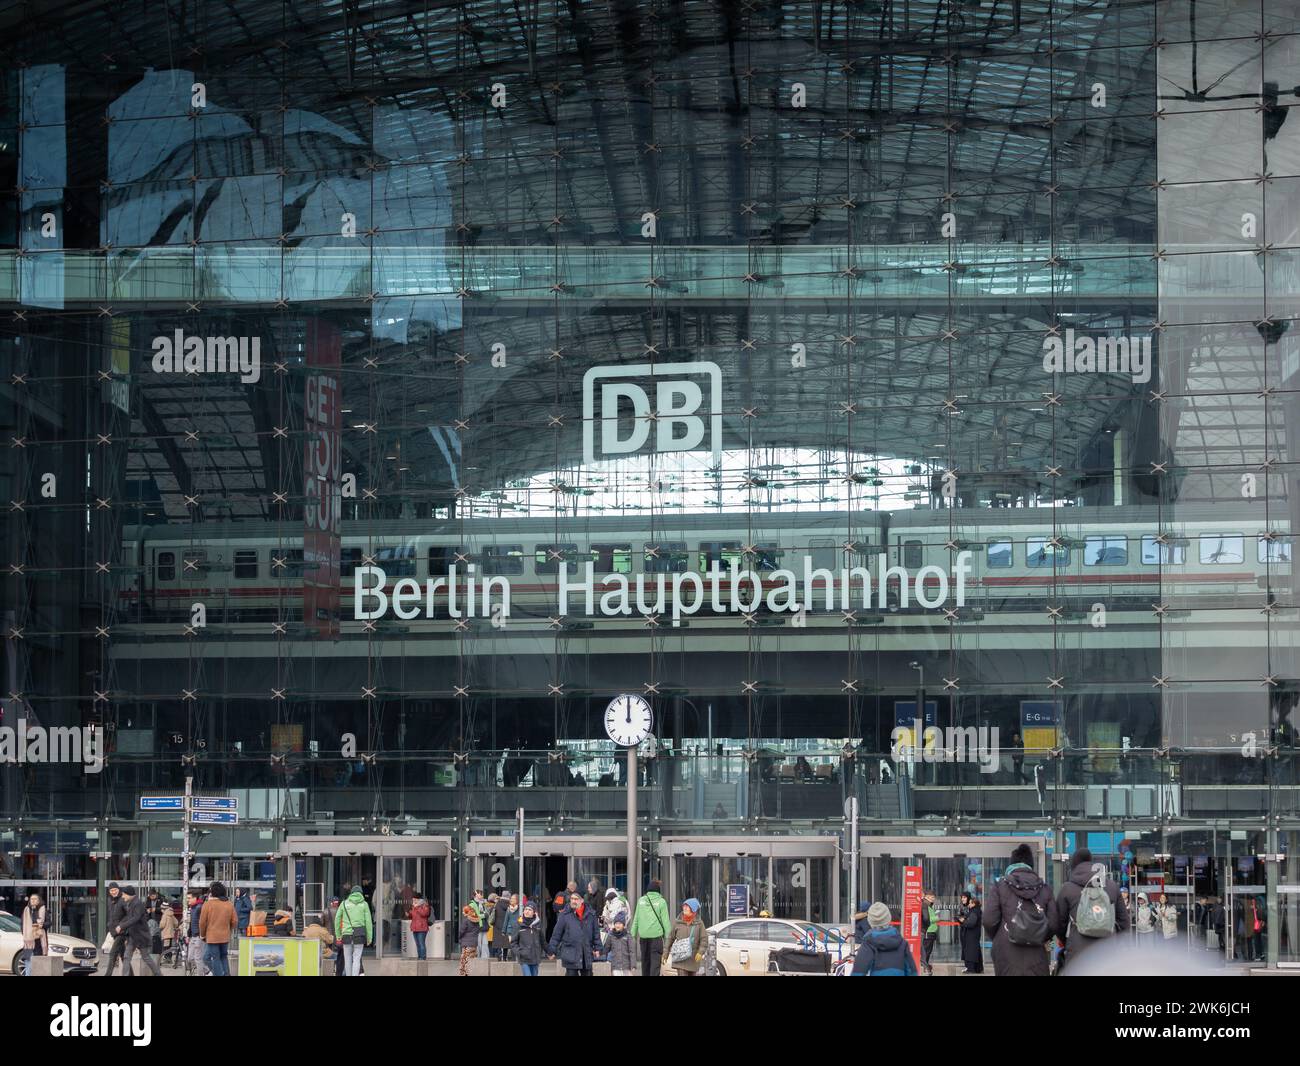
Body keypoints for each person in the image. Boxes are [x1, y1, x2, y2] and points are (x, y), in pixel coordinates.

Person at [983, 843, 1057, 977]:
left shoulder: (1000, 886)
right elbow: (1053, 924)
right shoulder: (1045, 888)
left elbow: (989, 920)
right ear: (1030, 866)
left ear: (1012, 864)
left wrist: (1001, 936)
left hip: (1005, 953)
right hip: (1037, 955)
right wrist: (1038, 936)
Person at [1054, 848, 1130, 972]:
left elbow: (1058, 924)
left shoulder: (1067, 889)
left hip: (1077, 953)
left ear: (1074, 867)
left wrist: (1069, 941)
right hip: (1108, 952)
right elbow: (1124, 923)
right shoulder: (1112, 886)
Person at [852, 901, 917, 975]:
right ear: (888, 918)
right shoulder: (902, 942)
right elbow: (911, 971)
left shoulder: (868, 943)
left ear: (870, 921)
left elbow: (859, 970)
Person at [548, 889, 602, 975]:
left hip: (586, 954)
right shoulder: (564, 915)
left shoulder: (591, 915)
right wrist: (551, 950)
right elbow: (556, 934)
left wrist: (598, 948)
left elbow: (596, 933)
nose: (573, 901)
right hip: (570, 953)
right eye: (572, 899)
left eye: (576, 899)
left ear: (582, 900)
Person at [630, 878, 672, 977]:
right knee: (655, 966)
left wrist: (632, 935)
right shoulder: (661, 902)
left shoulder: (641, 901)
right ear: (658, 891)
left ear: (648, 891)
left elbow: (636, 919)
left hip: (643, 938)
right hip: (656, 939)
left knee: (645, 965)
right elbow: (666, 923)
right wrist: (669, 940)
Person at [117, 886, 163, 976]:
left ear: (129, 894)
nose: (122, 896)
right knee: (126, 957)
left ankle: (158, 974)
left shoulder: (137, 903)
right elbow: (129, 919)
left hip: (141, 936)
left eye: (123, 894)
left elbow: (135, 918)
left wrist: (122, 926)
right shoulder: (130, 903)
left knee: (146, 957)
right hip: (132, 937)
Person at [198, 881, 236, 976]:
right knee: (223, 956)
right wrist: (228, 929)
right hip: (225, 936)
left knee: (215, 958)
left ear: (212, 892)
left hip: (212, 937)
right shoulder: (229, 904)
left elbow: (202, 923)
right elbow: (234, 921)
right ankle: (226, 974)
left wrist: (202, 935)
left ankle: (219, 974)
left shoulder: (207, 904)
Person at [334, 885, 373, 976]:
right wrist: (369, 938)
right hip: (359, 935)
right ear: (361, 893)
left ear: (351, 893)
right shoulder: (364, 904)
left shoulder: (343, 904)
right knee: (356, 959)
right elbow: (368, 922)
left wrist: (338, 935)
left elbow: (337, 920)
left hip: (346, 935)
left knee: (347, 959)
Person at [662, 897, 705, 976]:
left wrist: (700, 952)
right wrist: (665, 953)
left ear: (693, 909)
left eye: (687, 906)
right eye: (684, 906)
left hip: (693, 959)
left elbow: (704, 939)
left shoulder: (699, 923)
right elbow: (670, 938)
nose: (684, 908)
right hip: (680, 958)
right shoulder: (677, 922)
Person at [99, 882, 129, 976]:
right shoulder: (109, 900)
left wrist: (121, 925)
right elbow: (111, 915)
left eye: (115, 890)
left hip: (122, 932)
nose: (113, 892)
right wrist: (110, 925)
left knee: (112, 954)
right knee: (123, 956)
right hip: (114, 931)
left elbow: (129, 915)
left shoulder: (123, 899)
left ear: (118, 889)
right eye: (111, 890)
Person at [511, 902, 544, 975]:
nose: (527, 911)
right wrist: (519, 952)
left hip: (535, 958)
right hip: (524, 958)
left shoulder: (537, 925)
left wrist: (550, 952)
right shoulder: (518, 924)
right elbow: (513, 942)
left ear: (534, 912)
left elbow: (543, 941)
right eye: (525, 909)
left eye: (529, 910)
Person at [20, 892, 48, 976]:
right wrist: (26, 934)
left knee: (37, 963)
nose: (33, 900)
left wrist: (42, 925)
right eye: (31, 899)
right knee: (28, 961)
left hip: (39, 940)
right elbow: (22, 924)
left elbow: (49, 923)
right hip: (28, 941)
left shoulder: (43, 910)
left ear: (39, 900)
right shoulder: (26, 910)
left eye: (35, 899)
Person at [958, 892, 983, 973]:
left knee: (971, 951)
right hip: (972, 934)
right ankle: (977, 968)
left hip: (972, 934)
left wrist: (963, 921)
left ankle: (971, 969)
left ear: (973, 904)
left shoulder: (974, 911)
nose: (968, 903)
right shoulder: (975, 910)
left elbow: (971, 923)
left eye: (970, 902)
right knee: (974, 951)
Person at [458, 903, 481, 975]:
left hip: (466, 944)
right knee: (472, 959)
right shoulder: (477, 920)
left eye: (463, 911)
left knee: (464, 961)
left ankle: (465, 974)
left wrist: (459, 937)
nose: (462, 912)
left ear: (467, 912)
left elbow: (461, 931)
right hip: (474, 943)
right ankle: (472, 973)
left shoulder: (466, 921)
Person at [920, 890, 940, 974]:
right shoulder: (925, 906)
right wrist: (937, 918)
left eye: (934, 897)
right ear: (926, 897)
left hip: (931, 931)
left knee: (928, 950)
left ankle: (925, 967)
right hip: (928, 931)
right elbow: (927, 919)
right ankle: (925, 968)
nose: (933, 899)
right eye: (931, 897)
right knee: (926, 951)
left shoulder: (929, 906)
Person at [409, 891, 431, 960]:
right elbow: (413, 916)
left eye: (414, 899)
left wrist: (416, 907)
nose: (413, 901)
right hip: (415, 927)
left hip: (422, 928)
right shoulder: (414, 906)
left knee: (421, 943)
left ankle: (423, 957)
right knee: (418, 944)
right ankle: (419, 957)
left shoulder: (424, 905)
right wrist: (409, 914)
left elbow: (424, 914)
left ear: (419, 899)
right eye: (413, 899)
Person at [471, 888, 489, 959]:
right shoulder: (472, 904)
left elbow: (486, 913)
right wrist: (483, 915)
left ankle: (484, 957)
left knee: (485, 943)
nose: (482, 895)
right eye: (480, 894)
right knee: (478, 944)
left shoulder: (482, 904)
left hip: (483, 925)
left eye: (482, 894)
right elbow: (473, 915)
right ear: (475, 895)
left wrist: (486, 914)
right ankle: (478, 958)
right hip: (476, 926)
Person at [492, 891, 511, 959]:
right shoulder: (509, 905)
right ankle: (505, 957)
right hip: (506, 925)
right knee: (505, 943)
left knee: (498, 942)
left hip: (497, 925)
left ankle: (498, 956)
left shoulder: (497, 903)